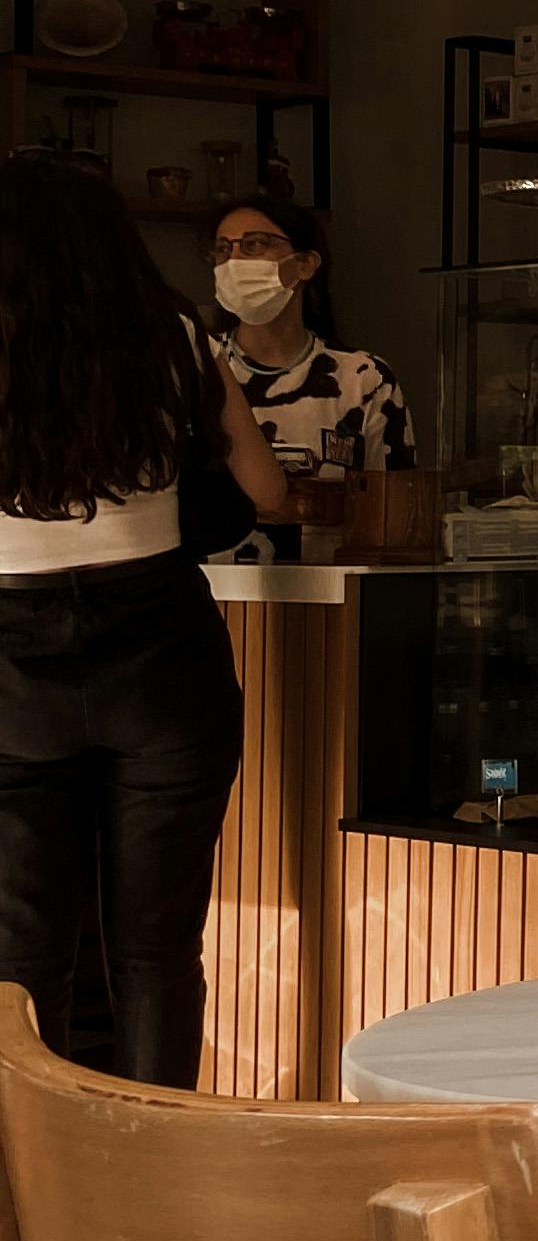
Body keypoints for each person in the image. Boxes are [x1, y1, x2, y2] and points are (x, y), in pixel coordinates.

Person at [0, 153, 290, 1087]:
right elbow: (265, 490)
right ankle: (156, 1176)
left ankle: (23, 1193)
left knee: (23, 955)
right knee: (157, 950)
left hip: (10, 666)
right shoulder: (173, 337)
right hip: (160, 651)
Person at [204, 195, 416, 484]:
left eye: (254, 244)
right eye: (222, 249)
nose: (234, 262)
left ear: (305, 264)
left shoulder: (364, 379)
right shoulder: (197, 367)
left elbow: (393, 504)